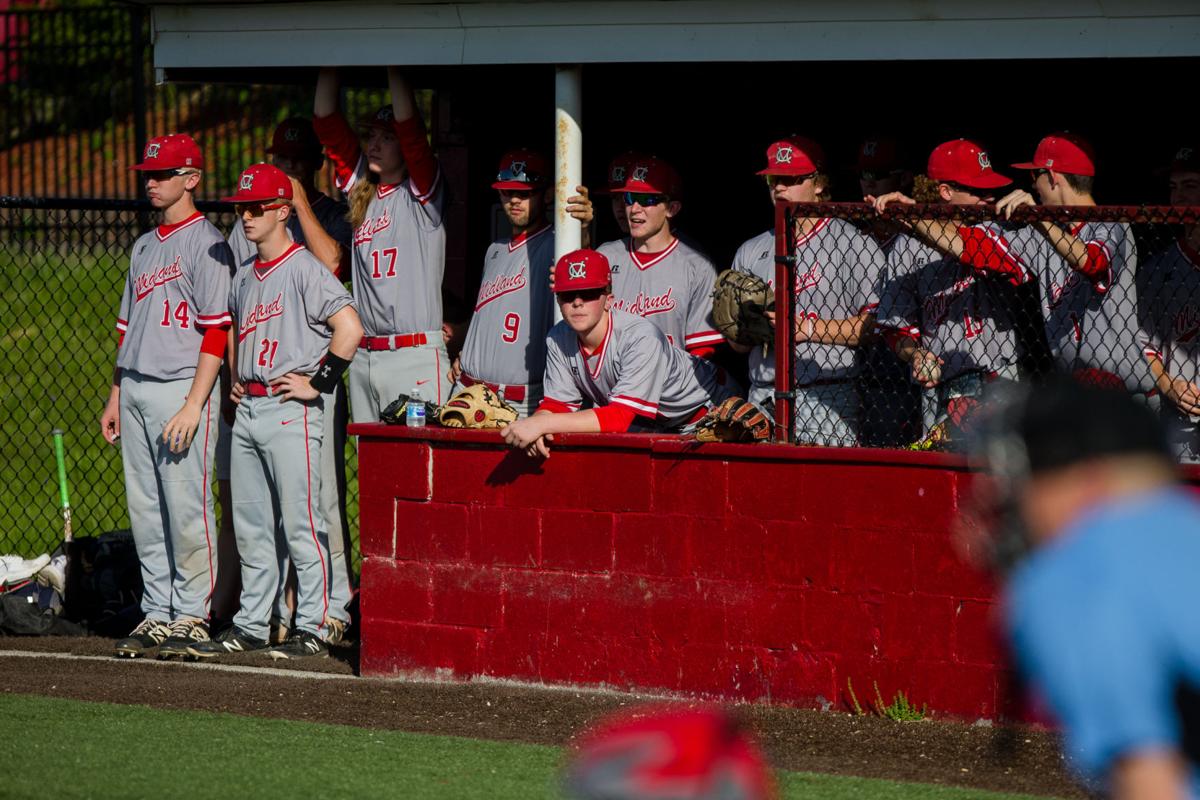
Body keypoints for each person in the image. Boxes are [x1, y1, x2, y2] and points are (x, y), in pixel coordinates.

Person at [971, 377, 1200, 799]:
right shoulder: (1185, 527)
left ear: (1090, 480)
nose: (1008, 497)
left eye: (1030, 474)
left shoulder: (1075, 572)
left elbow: (1149, 781)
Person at [189, 164, 362, 660]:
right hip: (252, 408)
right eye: (242, 207)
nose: (246, 216)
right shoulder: (244, 274)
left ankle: (318, 621)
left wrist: (320, 382)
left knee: (304, 523)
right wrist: (236, 383)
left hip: (292, 408)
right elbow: (237, 337)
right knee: (251, 524)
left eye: (256, 207)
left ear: (283, 211)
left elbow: (349, 328)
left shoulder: (305, 266)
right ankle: (254, 622)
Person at [100, 134, 234, 659]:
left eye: (162, 174)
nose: (150, 182)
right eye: (148, 175)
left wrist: (195, 403)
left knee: (186, 506)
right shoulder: (144, 245)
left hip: (181, 385)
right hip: (134, 383)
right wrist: (115, 392)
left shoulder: (208, 242)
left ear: (192, 179)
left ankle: (194, 614)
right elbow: (125, 328)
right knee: (146, 507)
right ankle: (157, 610)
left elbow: (216, 332)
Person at [871, 139, 1033, 448]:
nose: (989, 196)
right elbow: (895, 328)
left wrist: (913, 217)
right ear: (946, 191)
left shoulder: (1002, 228)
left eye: (989, 188)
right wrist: (915, 354)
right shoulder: (907, 246)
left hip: (1000, 377)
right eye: (977, 189)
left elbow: (974, 251)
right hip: (940, 384)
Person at [502, 249, 736, 459]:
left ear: (608, 299)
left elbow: (618, 417)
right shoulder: (557, 337)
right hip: (653, 420)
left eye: (590, 293)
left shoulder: (639, 336)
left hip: (710, 409)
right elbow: (558, 403)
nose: (577, 302)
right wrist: (537, 424)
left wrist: (542, 424)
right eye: (567, 295)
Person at [312, 66, 448, 421]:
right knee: (374, 468)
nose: (374, 143)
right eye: (372, 135)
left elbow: (414, 134)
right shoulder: (363, 192)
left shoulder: (421, 193)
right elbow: (325, 120)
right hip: (366, 354)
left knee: (415, 467)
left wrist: (394, 62)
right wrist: (330, 54)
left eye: (386, 137)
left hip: (413, 352)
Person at [746, 137, 887, 446]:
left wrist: (806, 328)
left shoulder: (853, 243)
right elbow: (737, 347)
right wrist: (742, 330)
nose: (779, 188)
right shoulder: (750, 250)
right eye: (774, 179)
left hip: (828, 392)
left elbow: (876, 327)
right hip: (763, 393)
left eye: (791, 179)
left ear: (819, 183)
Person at [996, 133, 1150, 393]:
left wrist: (1038, 219)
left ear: (1054, 176)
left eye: (1036, 176)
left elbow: (1093, 263)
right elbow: (977, 249)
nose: (1033, 186)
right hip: (1079, 396)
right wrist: (916, 219)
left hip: (1127, 397)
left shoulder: (1111, 223)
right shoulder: (1044, 232)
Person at [448, 149, 593, 417]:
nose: (514, 199)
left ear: (547, 195)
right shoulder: (495, 249)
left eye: (524, 193)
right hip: (467, 389)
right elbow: (488, 313)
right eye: (506, 192)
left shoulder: (557, 243)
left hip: (519, 401)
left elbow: (577, 263)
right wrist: (465, 351)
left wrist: (580, 230)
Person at [596, 156, 725, 358]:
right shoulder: (604, 257)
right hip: (614, 385)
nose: (634, 209)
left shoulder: (697, 265)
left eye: (647, 200)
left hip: (670, 386)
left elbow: (702, 349)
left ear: (671, 209)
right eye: (629, 198)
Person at [1139, 144, 1200, 461]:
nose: (1179, 198)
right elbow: (1142, 341)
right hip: (1178, 418)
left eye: (1191, 187)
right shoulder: (1156, 269)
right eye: (1174, 188)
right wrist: (1167, 384)